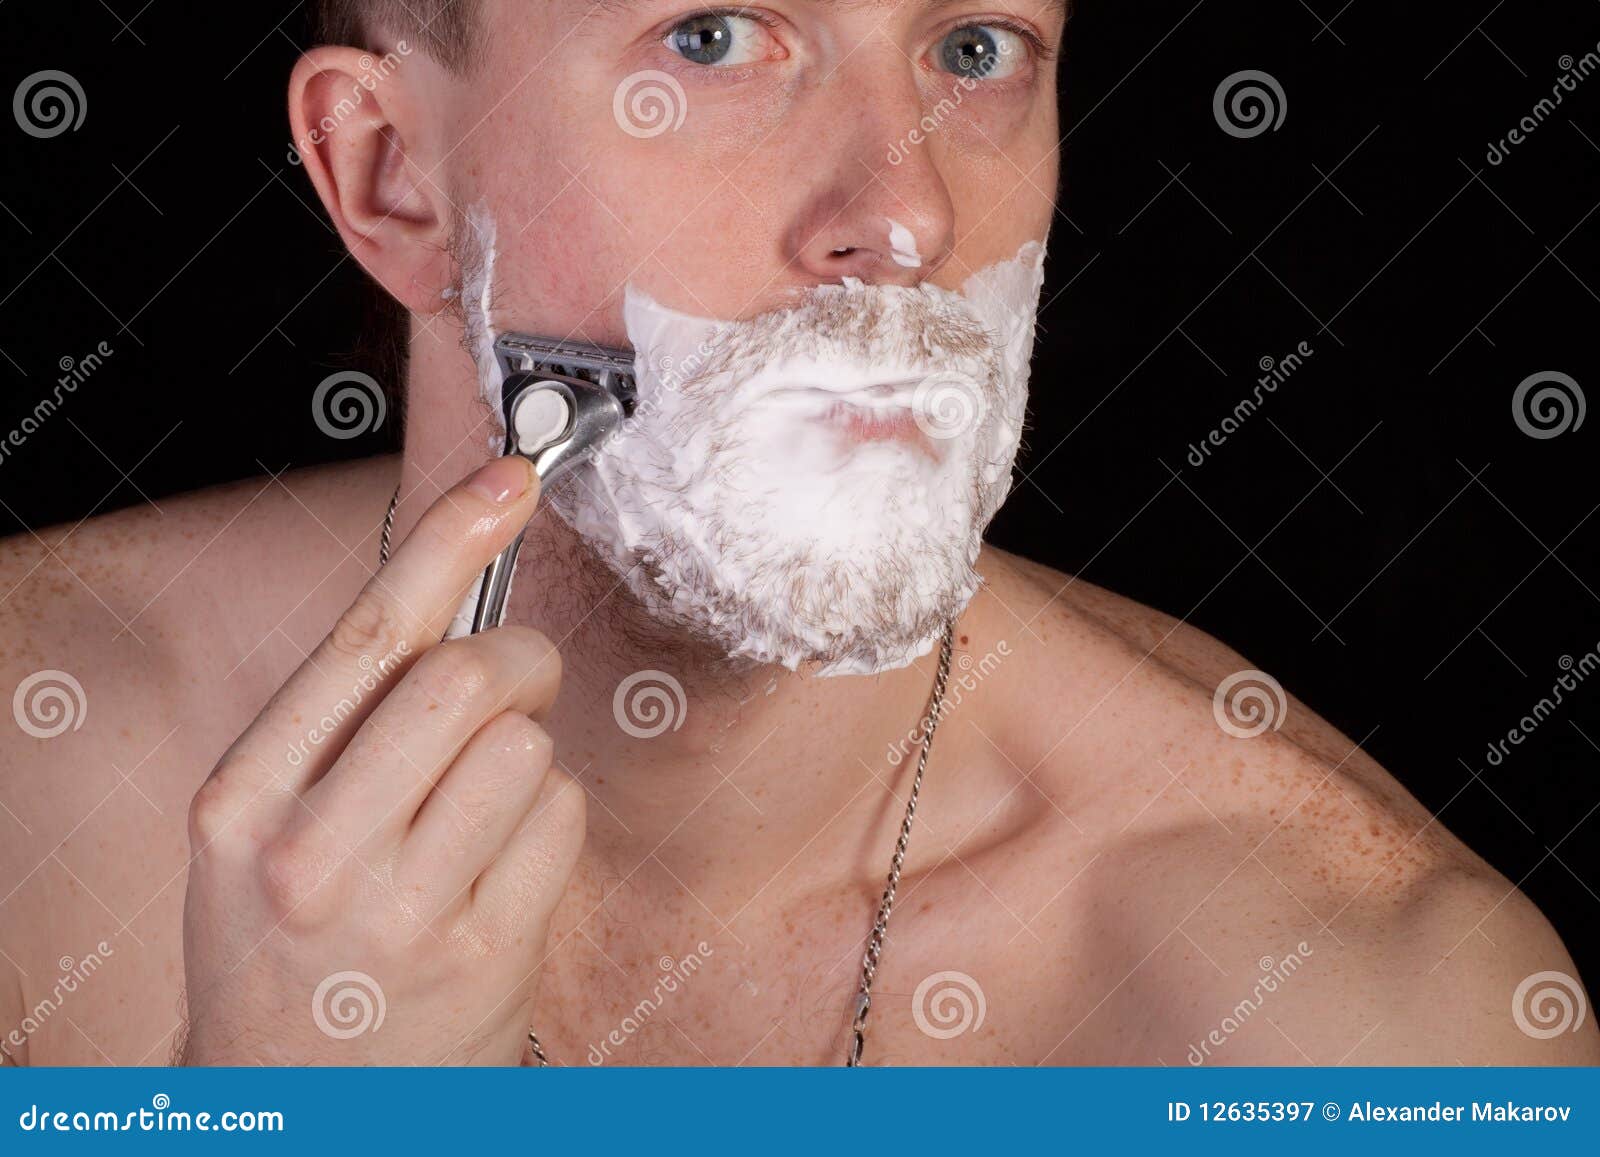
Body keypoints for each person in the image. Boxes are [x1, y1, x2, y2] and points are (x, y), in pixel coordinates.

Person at [2, 0, 1595, 1067]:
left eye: (973, 49)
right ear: (392, 174)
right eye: (713, 38)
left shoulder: (1363, 1013)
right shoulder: (30, 800)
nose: (904, 218)